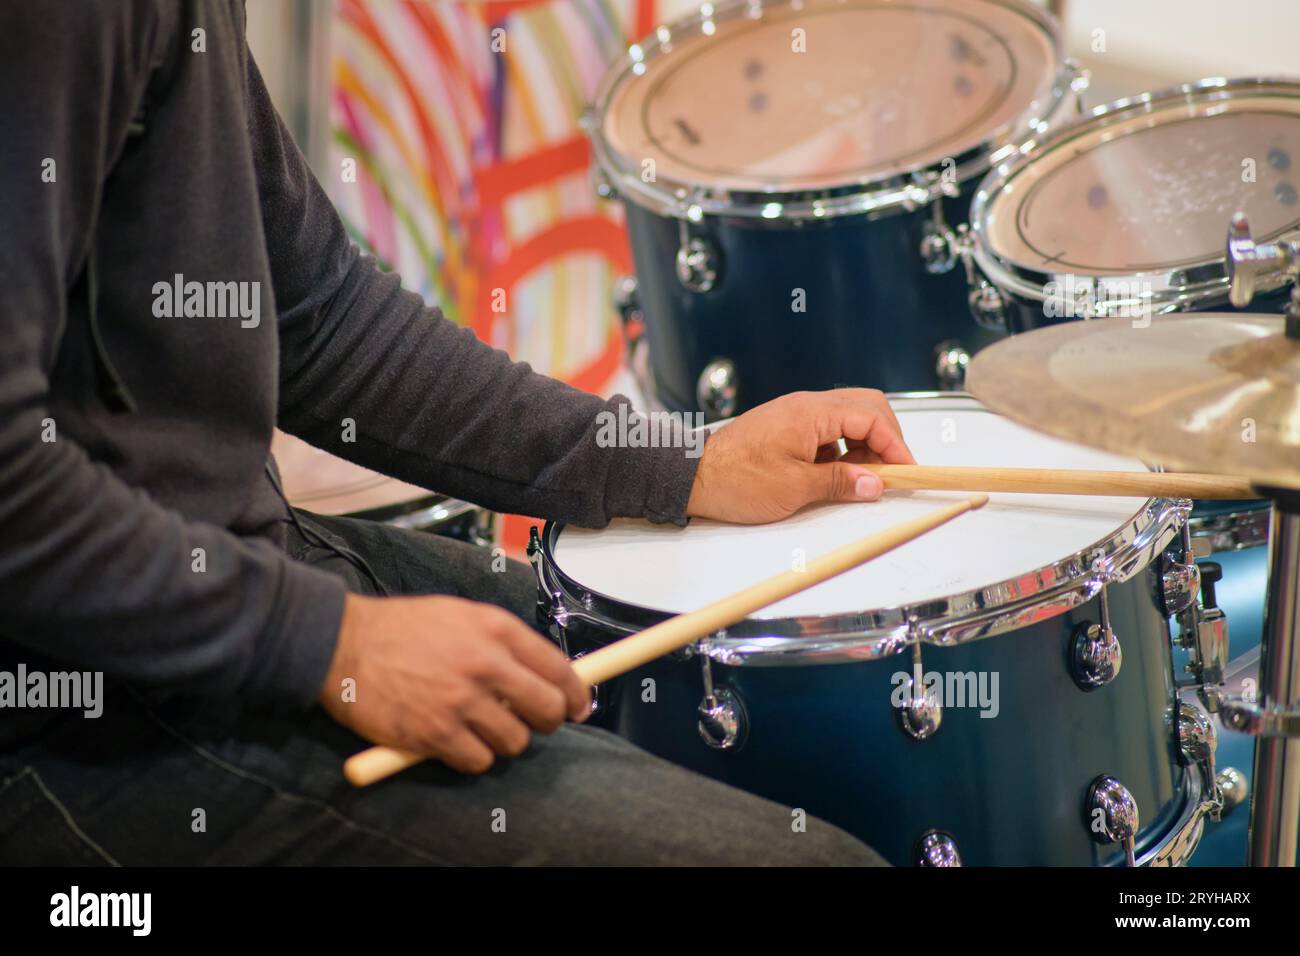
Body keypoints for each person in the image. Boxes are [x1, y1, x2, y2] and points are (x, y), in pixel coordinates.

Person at [0, 1, 913, 866]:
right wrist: (331, 645)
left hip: (219, 567)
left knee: (718, 686)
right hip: (78, 707)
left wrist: (685, 463)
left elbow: (311, 317)